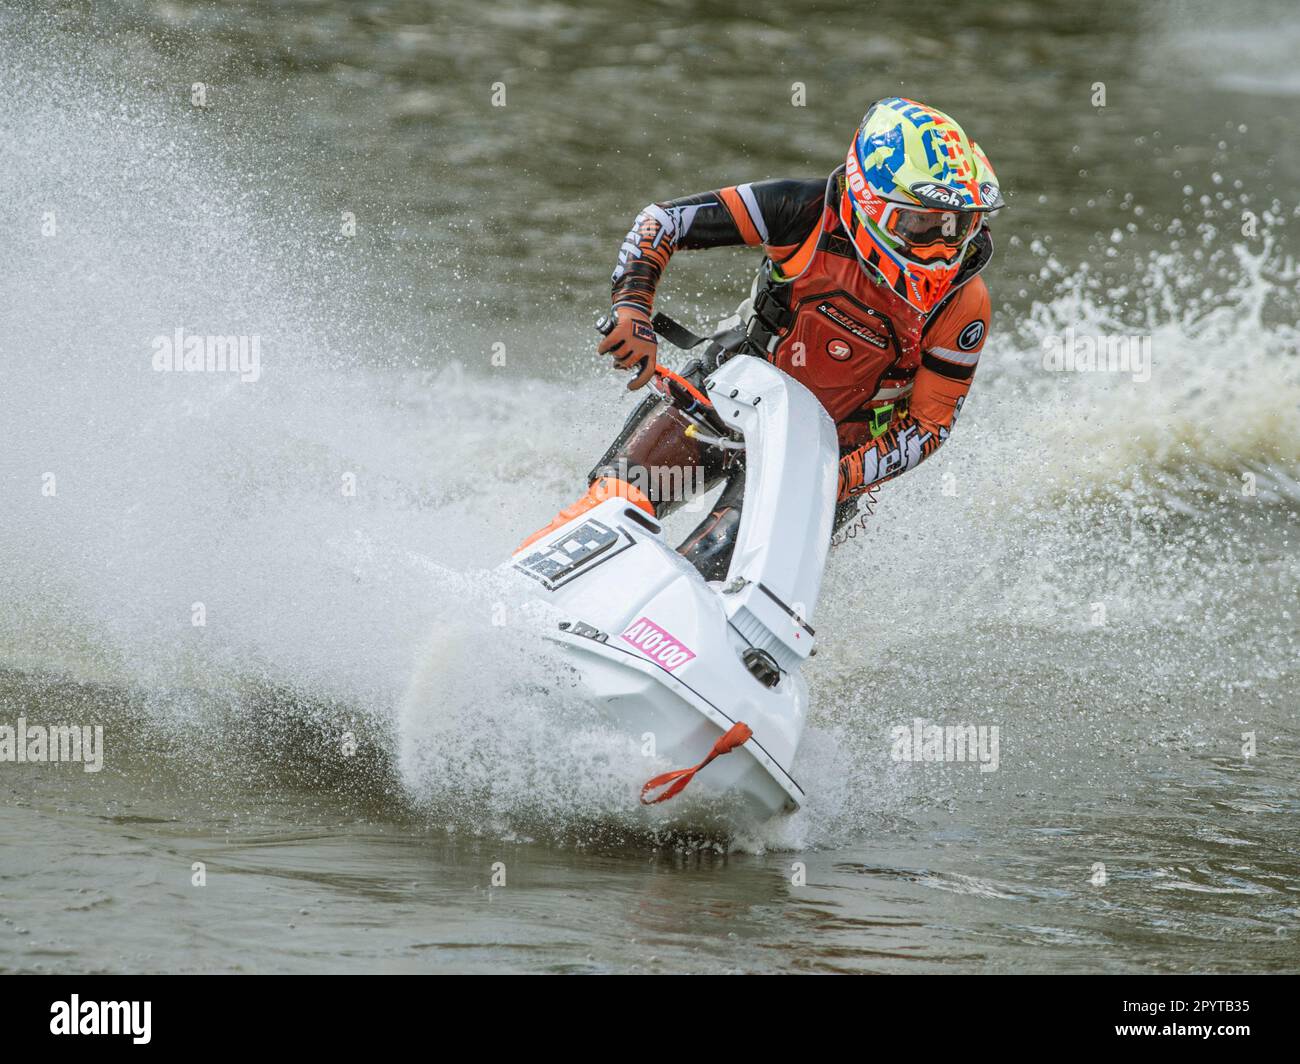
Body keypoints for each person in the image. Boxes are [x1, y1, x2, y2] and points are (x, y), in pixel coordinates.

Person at [520, 96, 1004, 577]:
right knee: (607, 510)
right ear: (868, 200)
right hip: (718, 399)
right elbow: (661, 221)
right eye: (920, 223)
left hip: (826, 456)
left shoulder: (964, 301)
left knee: (705, 567)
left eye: (958, 225)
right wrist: (632, 309)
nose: (943, 249)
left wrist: (839, 477)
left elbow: (928, 426)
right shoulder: (802, 212)